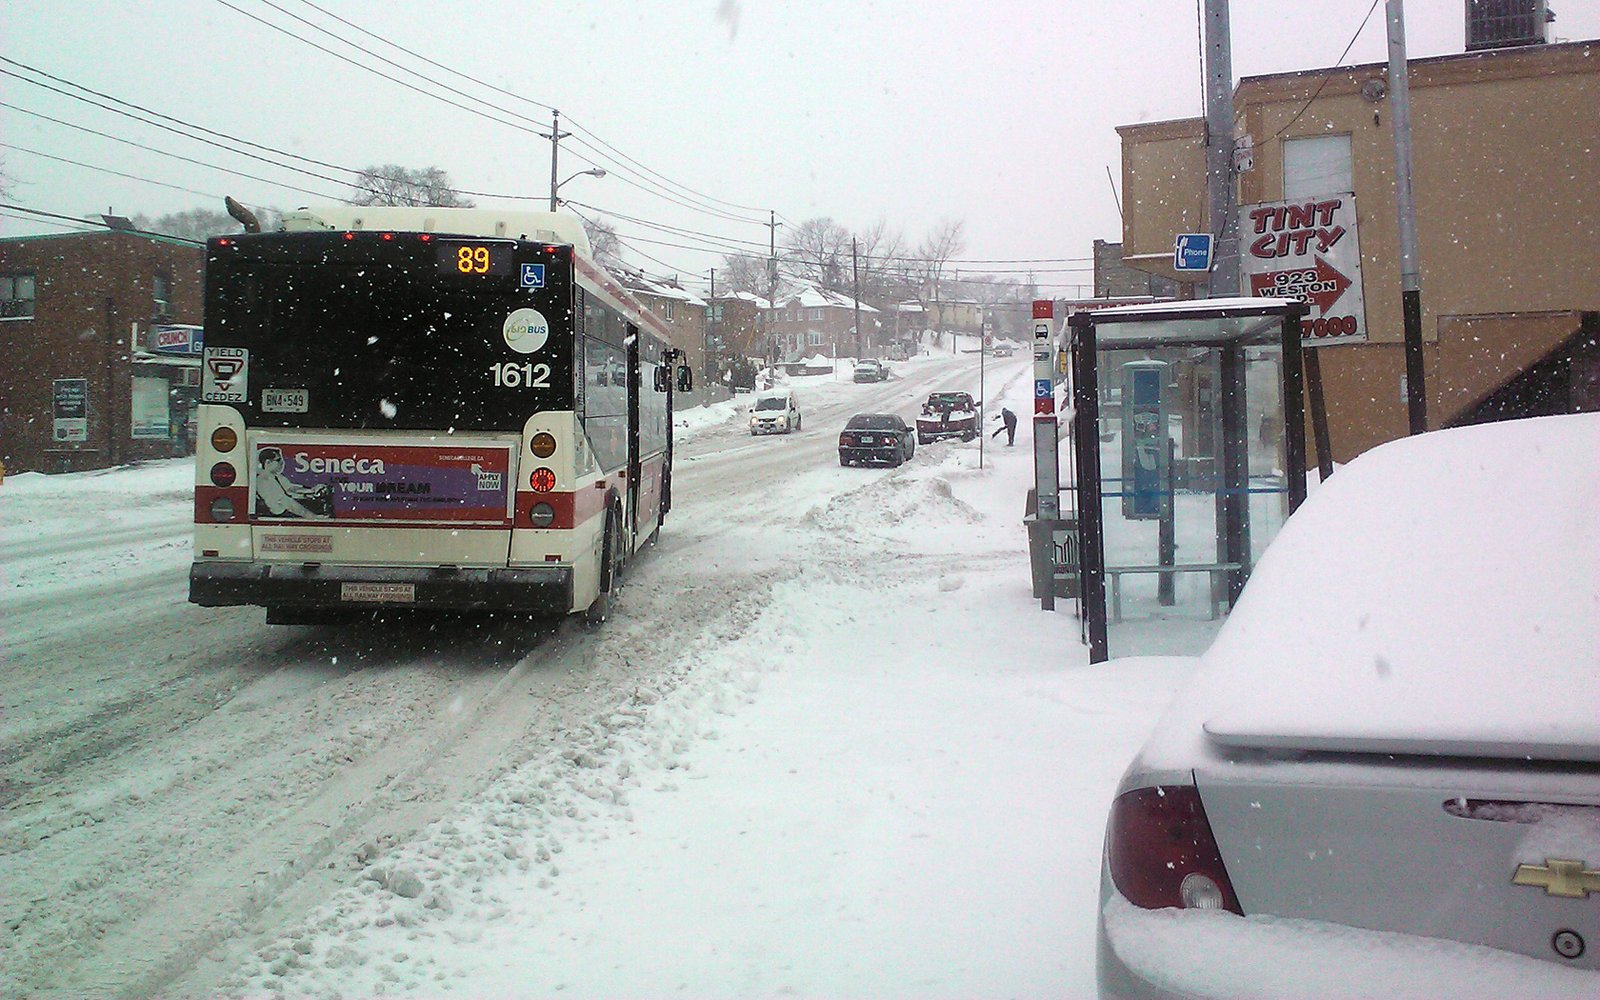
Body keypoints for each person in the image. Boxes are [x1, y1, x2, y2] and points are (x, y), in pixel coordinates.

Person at [254, 447, 328, 518]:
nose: (282, 463)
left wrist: (311, 490)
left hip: (286, 512)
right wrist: (312, 516)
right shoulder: (264, 480)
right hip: (277, 516)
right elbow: (287, 502)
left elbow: (290, 488)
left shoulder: (277, 477)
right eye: (278, 460)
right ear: (268, 462)